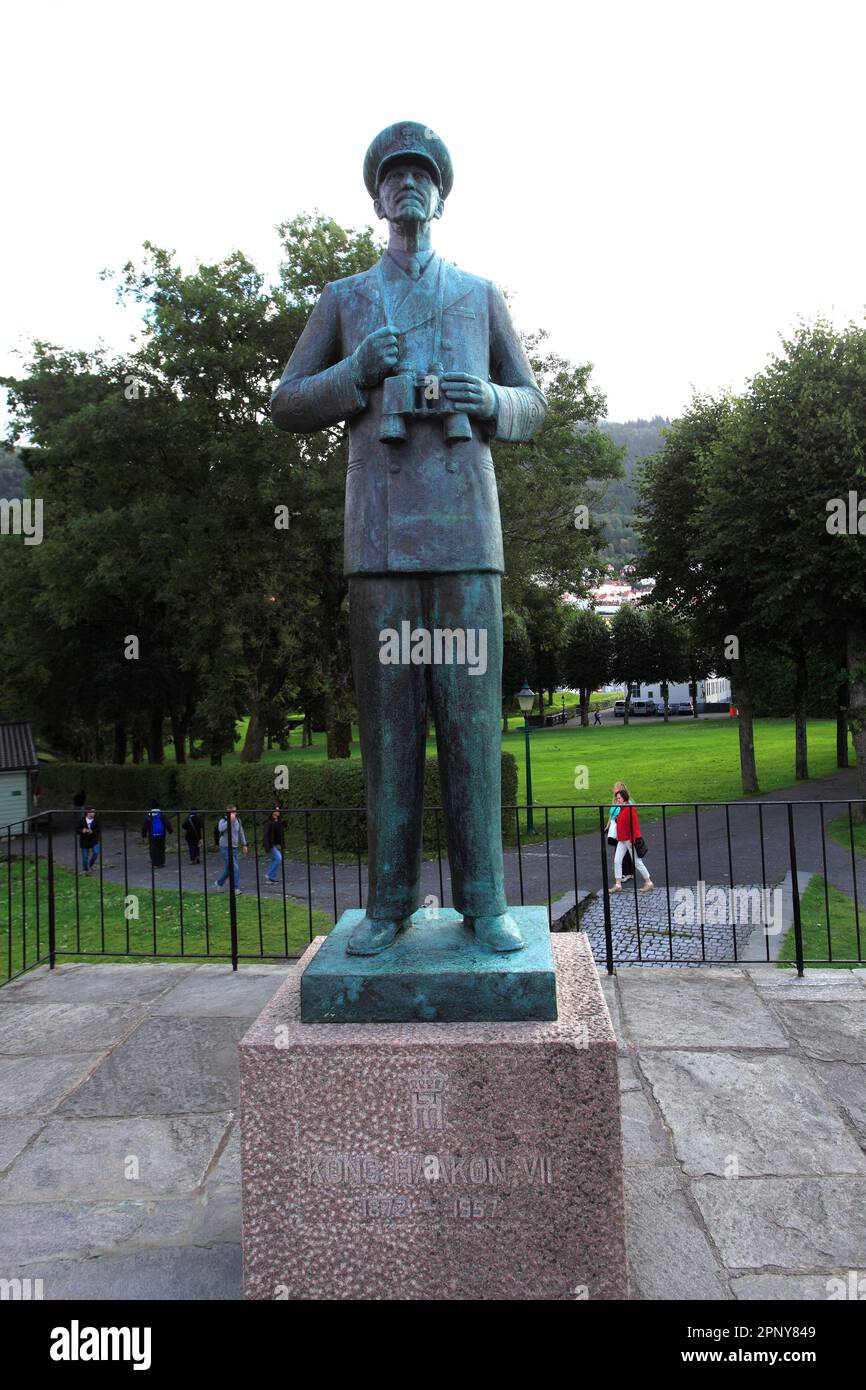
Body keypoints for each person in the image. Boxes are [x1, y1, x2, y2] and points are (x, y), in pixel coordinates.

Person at [270, 122, 547, 956]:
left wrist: (491, 400)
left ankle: (485, 901)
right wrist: (355, 374)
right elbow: (286, 403)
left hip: (466, 538)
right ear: (378, 197)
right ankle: (389, 901)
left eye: (422, 174)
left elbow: (534, 403)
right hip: (381, 545)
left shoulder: (480, 293)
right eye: (394, 177)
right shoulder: (345, 299)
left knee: (470, 729)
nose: (408, 187)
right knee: (390, 733)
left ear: (441, 193)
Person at [611, 786, 653, 893]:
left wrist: (633, 839)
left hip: (629, 840)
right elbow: (621, 822)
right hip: (622, 839)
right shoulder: (621, 809)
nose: (617, 800)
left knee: (637, 862)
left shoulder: (630, 808)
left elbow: (634, 825)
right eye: (617, 799)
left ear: (624, 798)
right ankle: (618, 884)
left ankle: (648, 882)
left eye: (619, 798)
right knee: (617, 860)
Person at [216, 805, 248, 890]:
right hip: (225, 847)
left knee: (229, 869)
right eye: (230, 812)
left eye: (234, 811)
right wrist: (229, 821)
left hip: (234, 847)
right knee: (234, 867)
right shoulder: (223, 820)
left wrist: (244, 845)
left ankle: (219, 883)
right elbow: (220, 829)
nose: (233, 813)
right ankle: (236, 888)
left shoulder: (238, 821)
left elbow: (241, 833)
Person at [605, 782, 633, 881]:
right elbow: (611, 814)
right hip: (615, 827)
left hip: (621, 828)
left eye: (615, 788)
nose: (613, 789)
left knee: (624, 851)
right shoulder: (616, 801)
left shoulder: (627, 802)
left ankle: (627, 873)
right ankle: (626, 873)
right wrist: (607, 826)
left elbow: (627, 816)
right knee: (621, 851)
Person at [263, 806, 285, 884]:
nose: (278, 812)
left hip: (276, 844)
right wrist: (267, 846)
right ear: (273, 812)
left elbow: (280, 834)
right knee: (278, 858)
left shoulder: (278, 822)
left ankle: (272, 878)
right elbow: (265, 835)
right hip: (271, 844)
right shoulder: (268, 822)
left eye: (279, 810)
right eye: (277, 810)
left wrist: (282, 844)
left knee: (274, 860)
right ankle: (269, 874)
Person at [77, 806, 100, 874]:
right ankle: (85, 870)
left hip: (94, 839)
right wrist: (82, 830)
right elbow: (77, 829)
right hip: (84, 840)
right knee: (85, 856)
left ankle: (91, 864)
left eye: (94, 812)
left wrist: (92, 831)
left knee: (96, 852)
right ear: (88, 812)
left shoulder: (96, 820)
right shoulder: (82, 820)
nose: (94, 813)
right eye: (92, 812)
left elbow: (99, 829)